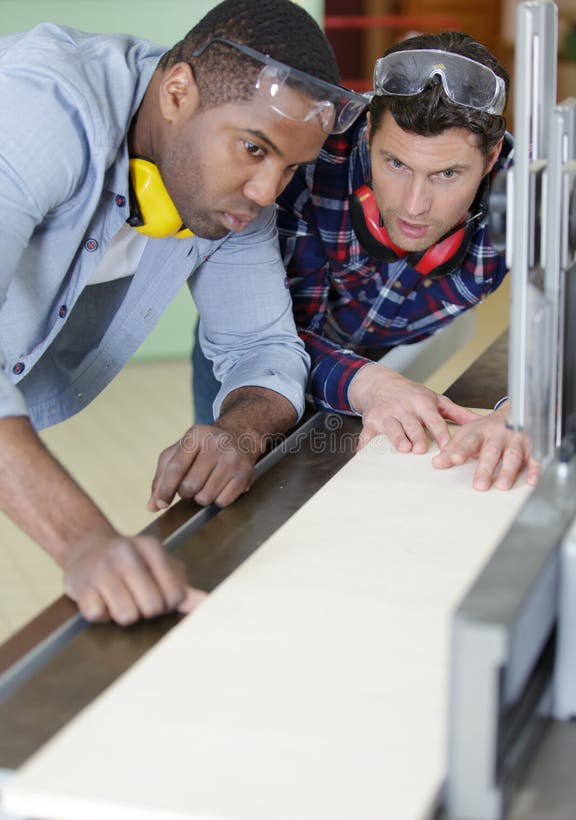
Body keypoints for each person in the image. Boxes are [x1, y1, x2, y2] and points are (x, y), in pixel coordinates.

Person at [0, 0, 369, 626]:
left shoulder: (235, 196)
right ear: (176, 93)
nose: (266, 191)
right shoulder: (43, 110)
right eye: (253, 148)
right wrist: (84, 540)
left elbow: (263, 346)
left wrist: (238, 431)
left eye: (289, 167)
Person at [193, 31, 540, 492]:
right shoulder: (309, 163)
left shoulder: (528, 195)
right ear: (368, 133)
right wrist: (369, 384)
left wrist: (528, 408)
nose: (416, 206)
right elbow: (266, 342)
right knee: (233, 491)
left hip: (378, 356)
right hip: (253, 348)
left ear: (492, 156)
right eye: (395, 164)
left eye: (448, 174)